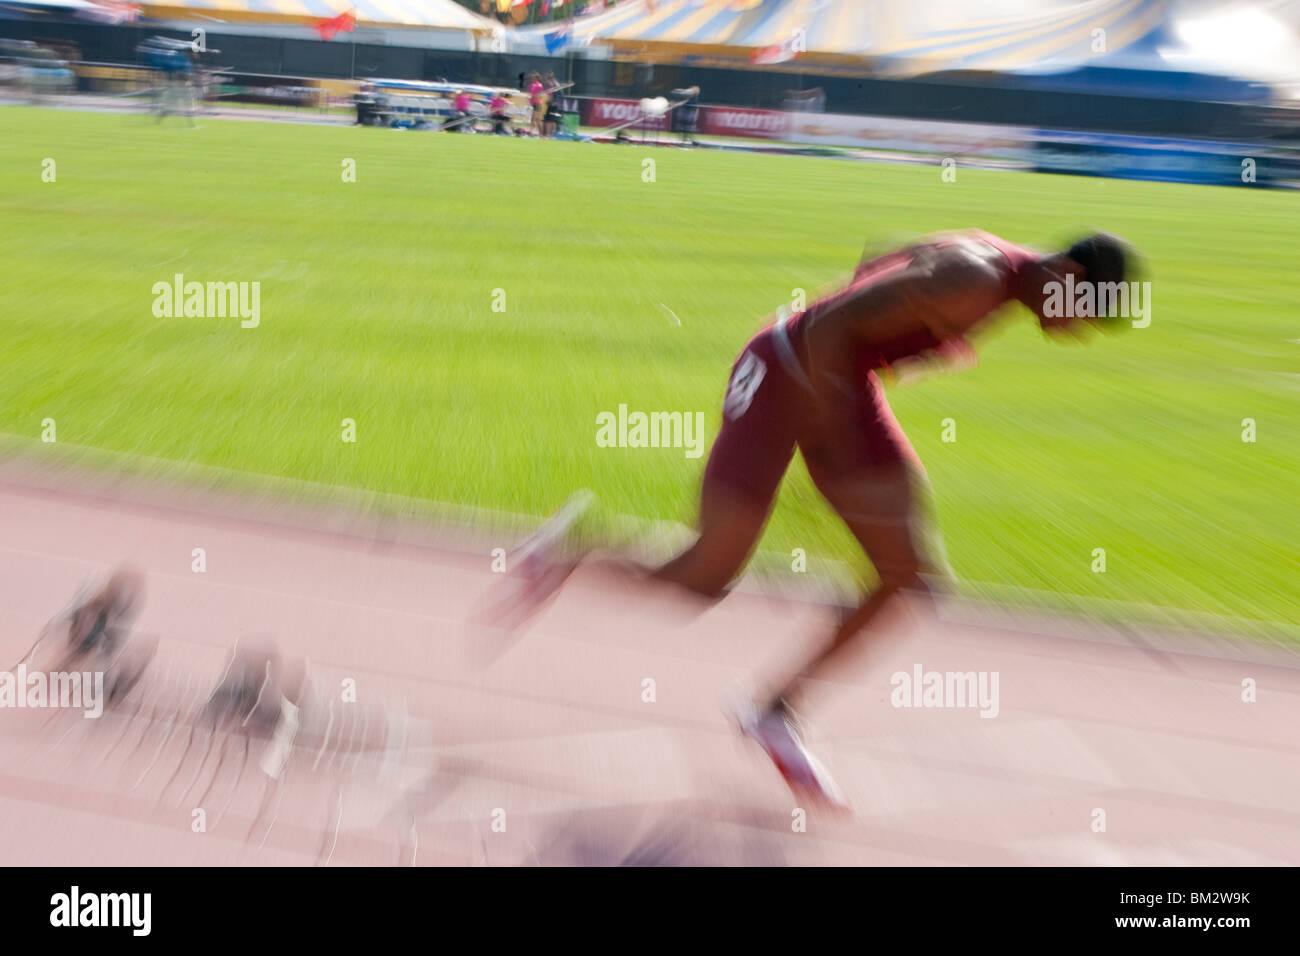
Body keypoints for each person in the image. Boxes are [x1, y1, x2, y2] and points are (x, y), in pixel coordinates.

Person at [500, 229, 1138, 809]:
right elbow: (829, 324)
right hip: (785, 372)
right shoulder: (975, 278)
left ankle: (773, 712)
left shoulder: (998, 271)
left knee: (906, 574)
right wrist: (830, 452)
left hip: (839, 382)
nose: (1081, 332)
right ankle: (574, 545)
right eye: (1090, 315)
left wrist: (885, 370)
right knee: (705, 576)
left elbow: (883, 252)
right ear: (1073, 278)